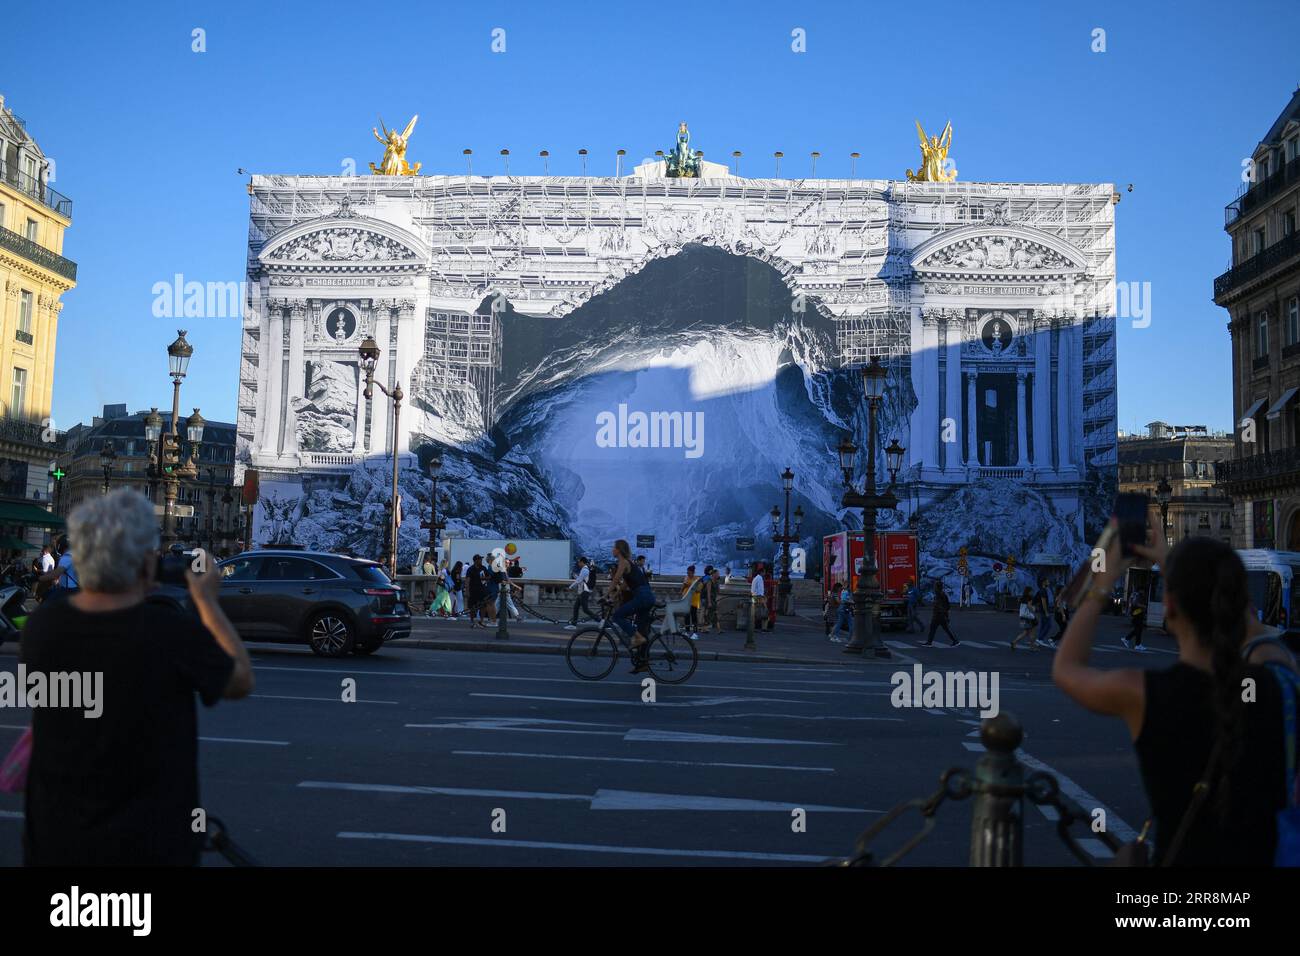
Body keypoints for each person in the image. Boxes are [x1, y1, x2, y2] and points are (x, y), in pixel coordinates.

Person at [20, 489, 253, 866]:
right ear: (146, 562)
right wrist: (207, 600)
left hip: (56, 844)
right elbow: (239, 678)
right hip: (148, 846)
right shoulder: (167, 631)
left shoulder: (43, 626)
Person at [1053, 526, 1297, 866]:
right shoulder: (1276, 682)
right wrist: (1177, 568)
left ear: (1168, 608)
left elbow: (1066, 668)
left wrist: (1102, 584)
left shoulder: (1142, 691)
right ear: (1242, 604)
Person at [609, 539, 655, 673]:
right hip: (647, 596)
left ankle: (637, 638)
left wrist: (606, 594)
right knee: (643, 630)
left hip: (642, 596)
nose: (612, 549)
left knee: (617, 616)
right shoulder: (629, 563)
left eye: (614, 547)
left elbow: (616, 579)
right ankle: (643, 663)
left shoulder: (623, 562)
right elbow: (626, 584)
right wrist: (616, 594)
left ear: (619, 550)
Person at [565, 557, 599, 628]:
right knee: (576, 607)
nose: (578, 563)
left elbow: (579, 580)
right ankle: (574, 624)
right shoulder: (586, 569)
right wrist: (575, 576)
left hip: (584, 592)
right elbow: (581, 579)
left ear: (582, 562)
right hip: (583, 592)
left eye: (579, 562)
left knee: (585, 609)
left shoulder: (584, 570)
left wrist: (570, 587)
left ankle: (601, 621)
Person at [924, 581, 959, 646]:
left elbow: (945, 606)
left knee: (941, 629)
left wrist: (944, 613)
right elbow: (947, 606)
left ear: (937, 587)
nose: (934, 588)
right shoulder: (939, 595)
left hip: (939, 615)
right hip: (939, 615)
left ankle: (955, 641)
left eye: (935, 586)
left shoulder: (940, 595)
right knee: (934, 629)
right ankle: (929, 642)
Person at [465, 554, 488, 627]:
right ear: (476, 560)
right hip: (473, 590)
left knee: (483, 606)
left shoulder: (483, 568)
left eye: (481, 559)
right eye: (480, 559)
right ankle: (472, 621)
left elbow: (488, 576)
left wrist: (485, 578)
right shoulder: (470, 569)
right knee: (472, 607)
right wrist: (467, 591)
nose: (481, 561)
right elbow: (467, 580)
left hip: (482, 590)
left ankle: (481, 620)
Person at [1011, 586, 1037, 651]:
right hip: (1029, 617)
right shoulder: (1030, 598)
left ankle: (1014, 642)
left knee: (1025, 632)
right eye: (1031, 591)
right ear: (1029, 592)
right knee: (1032, 632)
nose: (1032, 592)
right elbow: (1029, 606)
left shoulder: (1023, 598)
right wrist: (1033, 610)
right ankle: (1032, 647)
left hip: (1022, 616)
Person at [1123, 587, 1148, 652]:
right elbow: (1135, 604)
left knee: (1138, 630)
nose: (1144, 592)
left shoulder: (1138, 595)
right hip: (1137, 615)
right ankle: (1136, 644)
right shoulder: (1138, 596)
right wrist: (1143, 606)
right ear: (1140, 590)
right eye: (1143, 590)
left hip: (1138, 615)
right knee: (1138, 630)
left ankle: (1128, 640)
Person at [1034, 578, 1057, 649]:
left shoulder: (1042, 590)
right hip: (1044, 611)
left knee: (1043, 625)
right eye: (1047, 581)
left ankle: (1039, 640)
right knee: (1049, 625)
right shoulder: (1043, 591)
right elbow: (1043, 602)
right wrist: (1046, 612)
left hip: (1042, 610)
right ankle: (1039, 639)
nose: (1049, 582)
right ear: (1044, 582)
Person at [681, 565, 701, 638]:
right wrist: (684, 586)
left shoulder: (697, 579)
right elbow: (683, 588)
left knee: (694, 617)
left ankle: (695, 633)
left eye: (689, 573)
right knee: (686, 617)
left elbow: (699, 590)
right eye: (687, 573)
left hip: (693, 601)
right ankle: (687, 632)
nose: (688, 574)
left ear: (693, 572)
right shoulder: (686, 578)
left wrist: (692, 586)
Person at [749, 561, 766, 633]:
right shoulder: (760, 579)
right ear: (762, 572)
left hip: (754, 596)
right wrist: (762, 599)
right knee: (763, 612)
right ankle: (763, 628)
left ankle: (755, 627)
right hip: (758, 597)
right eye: (764, 572)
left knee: (755, 613)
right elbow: (760, 589)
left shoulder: (755, 578)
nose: (765, 574)